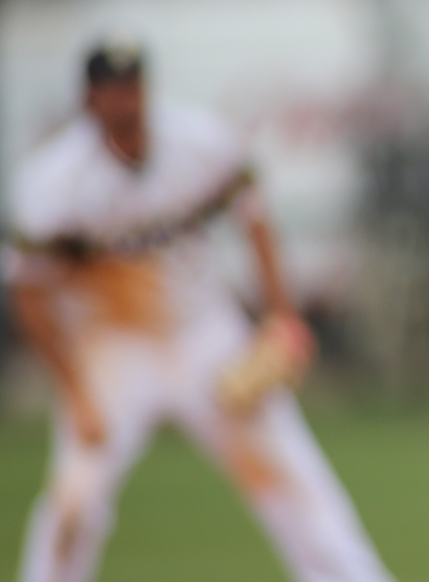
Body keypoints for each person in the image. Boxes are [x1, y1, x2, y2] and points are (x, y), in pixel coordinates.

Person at [5, 40, 396, 582]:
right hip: (111, 349)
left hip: (204, 334)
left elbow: (254, 216)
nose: (125, 100)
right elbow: (28, 292)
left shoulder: (198, 140)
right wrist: (74, 391)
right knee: (77, 499)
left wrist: (280, 317)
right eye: (111, 90)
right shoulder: (53, 180)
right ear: (89, 100)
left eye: (132, 86)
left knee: (295, 484)